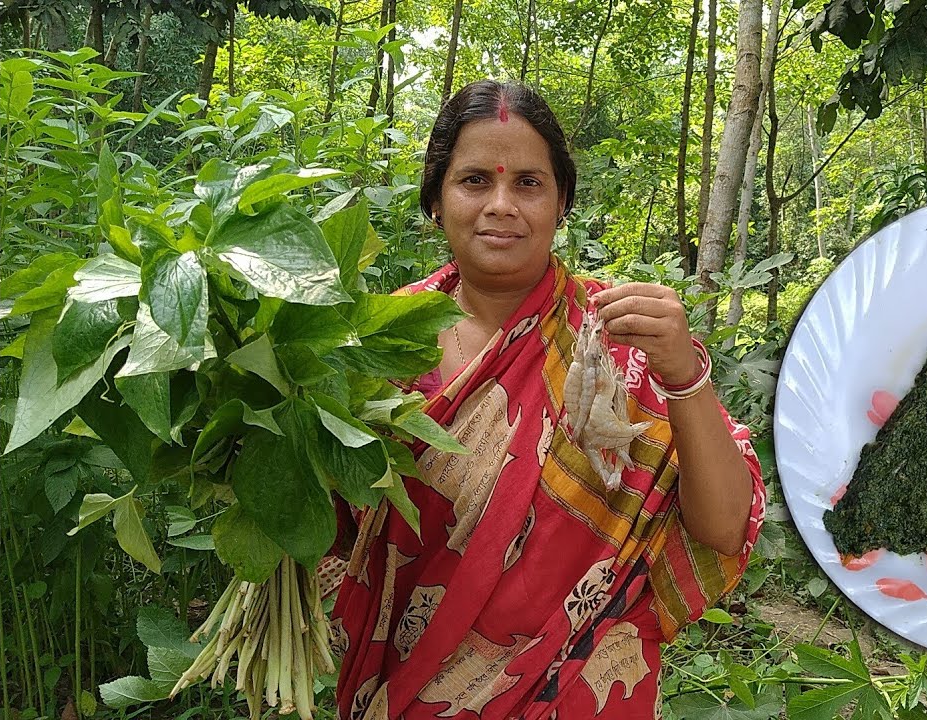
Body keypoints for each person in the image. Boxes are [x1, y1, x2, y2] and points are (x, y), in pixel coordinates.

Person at [326, 80, 766, 720]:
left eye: (528, 183)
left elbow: (723, 527)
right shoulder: (375, 340)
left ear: (562, 202)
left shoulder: (622, 337)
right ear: (435, 199)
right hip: (408, 687)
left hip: (578, 691)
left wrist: (683, 374)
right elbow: (328, 530)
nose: (501, 205)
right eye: (475, 180)